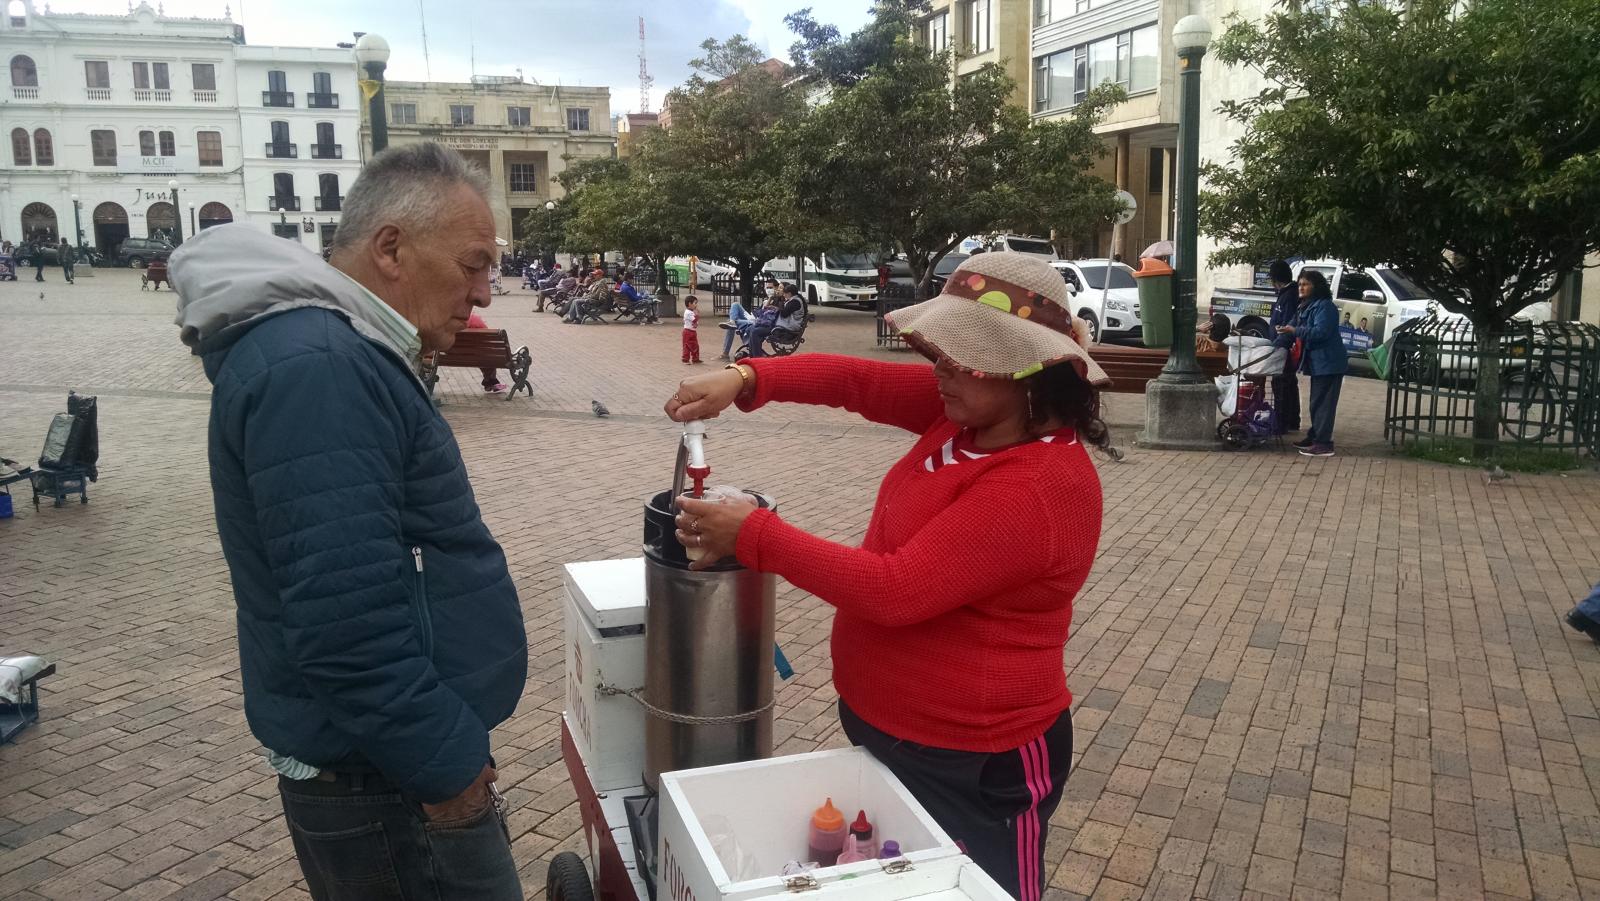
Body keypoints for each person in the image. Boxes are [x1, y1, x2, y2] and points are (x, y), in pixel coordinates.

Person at [665, 252, 1108, 901]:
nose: (942, 369)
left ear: (1029, 369)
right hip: (897, 739)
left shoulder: (1042, 486)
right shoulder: (968, 412)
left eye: (964, 356)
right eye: (941, 351)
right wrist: (747, 375)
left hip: (978, 763)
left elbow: (896, 588)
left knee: (984, 890)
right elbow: (855, 381)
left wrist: (755, 533)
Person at [171, 143, 528, 900]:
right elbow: (346, 625)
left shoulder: (333, 351)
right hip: (386, 778)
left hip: (382, 760)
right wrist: (448, 767)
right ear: (392, 248)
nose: (486, 293)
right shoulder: (322, 366)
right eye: (472, 265)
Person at [1275, 269, 1346, 457]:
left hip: (1329, 362)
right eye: (1299, 284)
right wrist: (1275, 344)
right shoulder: (1304, 306)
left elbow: (1321, 332)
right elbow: (1291, 327)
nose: (1301, 287)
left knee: (1323, 403)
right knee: (1316, 402)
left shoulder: (1325, 307)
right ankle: (1315, 436)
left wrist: (1295, 330)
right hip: (1317, 362)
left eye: (1305, 284)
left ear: (1316, 287)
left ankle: (1323, 443)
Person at [1266, 260, 1301, 435]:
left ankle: (1284, 421)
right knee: (1287, 383)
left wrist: (1279, 346)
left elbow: (1288, 324)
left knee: (1282, 383)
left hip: (1284, 347)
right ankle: (1291, 419)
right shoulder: (1284, 294)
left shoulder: (1289, 296)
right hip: (1281, 345)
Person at [747, 285, 805, 358]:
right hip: (782, 325)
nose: (784, 295)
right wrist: (775, 307)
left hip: (785, 329)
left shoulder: (795, 302)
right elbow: (784, 312)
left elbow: (784, 314)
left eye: (785, 293)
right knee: (752, 328)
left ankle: (757, 357)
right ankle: (755, 354)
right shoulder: (793, 300)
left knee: (755, 332)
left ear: (789, 293)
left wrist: (776, 308)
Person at [467, 312, 507, 393]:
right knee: (489, 357)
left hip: (462, 358)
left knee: (482, 358)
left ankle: (489, 382)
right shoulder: (477, 324)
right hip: (480, 356)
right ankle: (491, 381)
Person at [682, 296, 702, 364]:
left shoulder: (691, 312)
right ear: (690, 304)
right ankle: (685, 359)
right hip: (687, 332)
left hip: (692, 331)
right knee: (687, 345)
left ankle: (695, 358)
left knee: (695, 345)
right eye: (695, 303)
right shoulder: (688, 312)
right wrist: (697, 315)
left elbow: (695, 323)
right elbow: (694, 320)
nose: (696, 305)